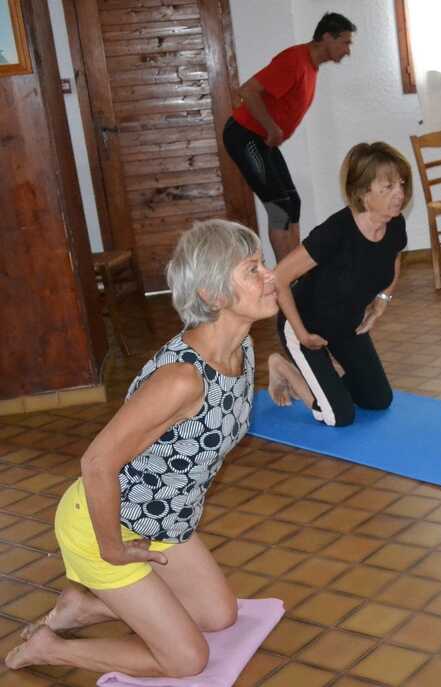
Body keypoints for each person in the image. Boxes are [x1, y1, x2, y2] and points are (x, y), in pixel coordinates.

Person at [5, 221, 278, 678]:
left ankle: (82, 609)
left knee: (219, 616)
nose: (269, 275)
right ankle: (49, 647)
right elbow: (95, 463)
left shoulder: (241, 347)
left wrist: (280, 367)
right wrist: (112, 547)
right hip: (104, 526)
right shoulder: (180, 380)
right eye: (252, 269)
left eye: (262, 264)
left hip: (164, 520)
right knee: (187, 659)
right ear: (212, 296)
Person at [267, 141, 411, 426]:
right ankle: (284, 368)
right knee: (339, 416)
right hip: (305, 325)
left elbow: (394, 257)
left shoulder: (394, 224)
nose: (400, 194)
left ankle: (327, 370)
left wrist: (382, 301)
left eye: (401, 184)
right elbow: (279, 278)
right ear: (362, 193)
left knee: (378, 399)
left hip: (347, 326)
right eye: (388, 187)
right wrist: (302, 334)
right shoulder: (335, 232)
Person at [223, 12, 357, 263]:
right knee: (279, 206)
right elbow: (248, 91)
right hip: (243, 134)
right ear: (327, 37)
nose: (348, 50)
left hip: (259, 138)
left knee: (291, 202)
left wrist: (271, 130)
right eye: (345, 42)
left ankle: (296, 271)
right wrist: (272, 128)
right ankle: (286, 279)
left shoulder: (311, 67)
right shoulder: (295, 60)